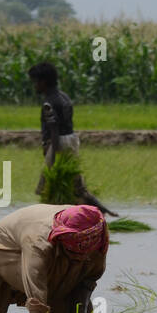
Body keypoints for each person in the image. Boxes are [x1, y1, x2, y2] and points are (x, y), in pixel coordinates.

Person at [27, 62, 118, 217]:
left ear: (43, 81)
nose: (35, 86)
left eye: (35, 82)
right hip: (71, 141)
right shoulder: (64, 97)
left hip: (58, 145)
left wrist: (53, 158)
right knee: (78, 187)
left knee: (47, 186)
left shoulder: (48, 103)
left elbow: (54, 130)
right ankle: (104, 212)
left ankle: (51, 219)